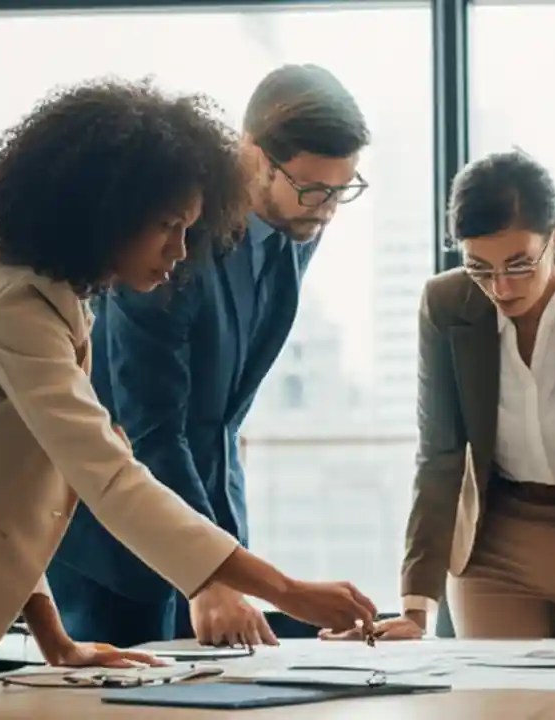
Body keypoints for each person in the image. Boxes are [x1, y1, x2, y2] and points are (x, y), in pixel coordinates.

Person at [0, 78, 377, 714]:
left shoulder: (60, 297)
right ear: (107, 210)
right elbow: (108, 476)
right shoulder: (10, 299)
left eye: (188, 228)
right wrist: (286, 588)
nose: (180, 251)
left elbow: (7, 487)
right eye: (167, 227)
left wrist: (57, 640)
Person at [49, 64, 370, 648]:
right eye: (311, 189)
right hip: (117, 547)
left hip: (210, 514)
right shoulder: (171, 240)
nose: (325, 210)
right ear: (252, 155)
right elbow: (153, 429)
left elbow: (221, 417)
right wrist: (209, 574)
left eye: (340, 190)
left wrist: (227, 559)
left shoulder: (296, 227)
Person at [325, 149, 555, 642]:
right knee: (495, 702)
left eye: (519, 264)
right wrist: (416, 608)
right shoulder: (446, 304)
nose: (501, 287)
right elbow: (439, 455)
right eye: (479, 267)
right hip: (495, 543)